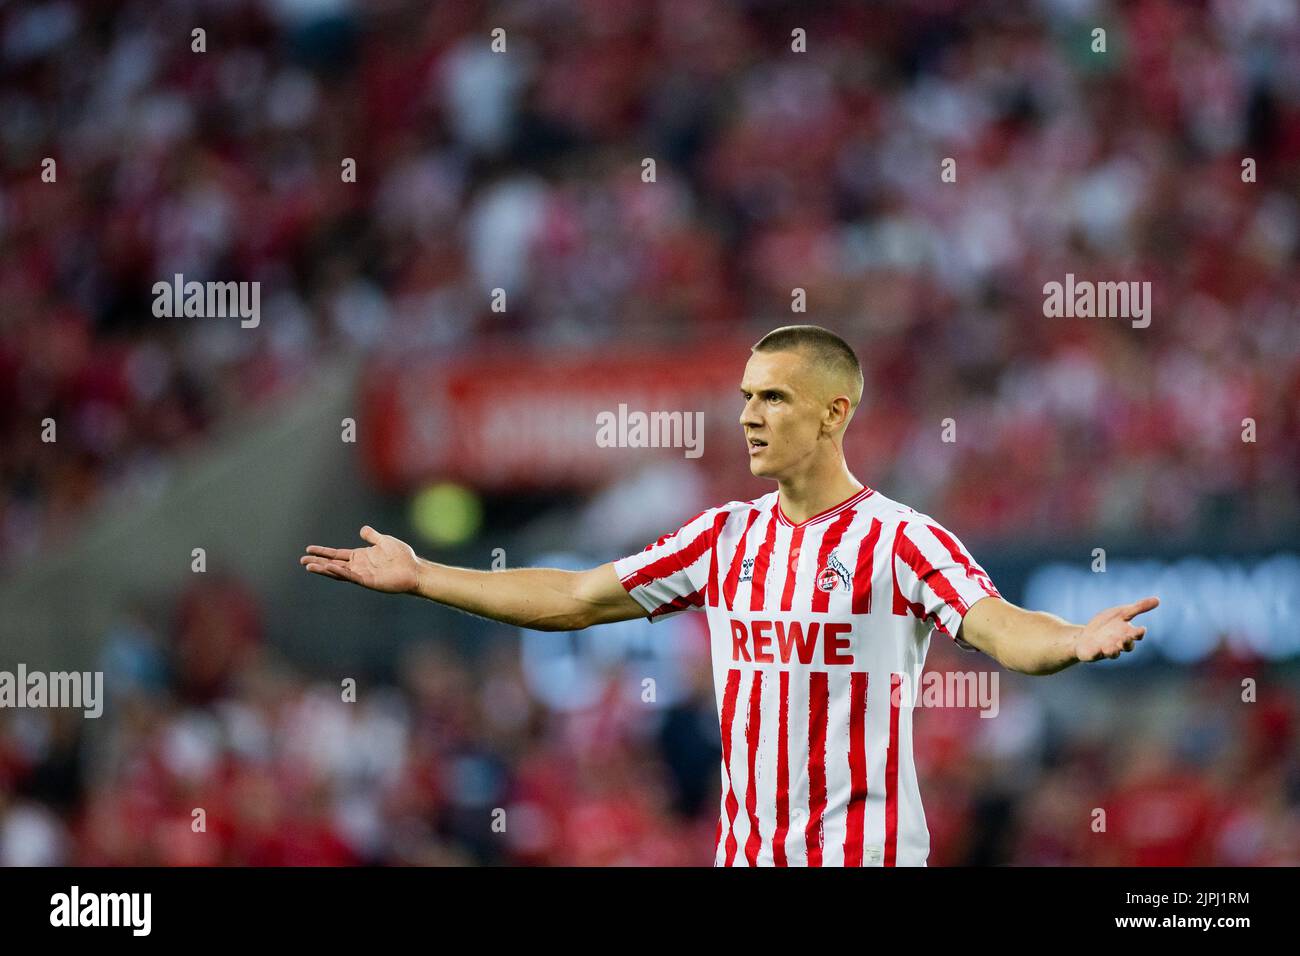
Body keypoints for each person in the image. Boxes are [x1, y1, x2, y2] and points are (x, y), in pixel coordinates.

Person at [300, 324, 1158, 866]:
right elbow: (574, 595)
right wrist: (423, 577)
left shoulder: (902, 538)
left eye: (773, 398)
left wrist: (1072, 642)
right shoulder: (722, 538)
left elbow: (1002, 629)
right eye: (745, 396)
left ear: (835, 413)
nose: (749, 415)